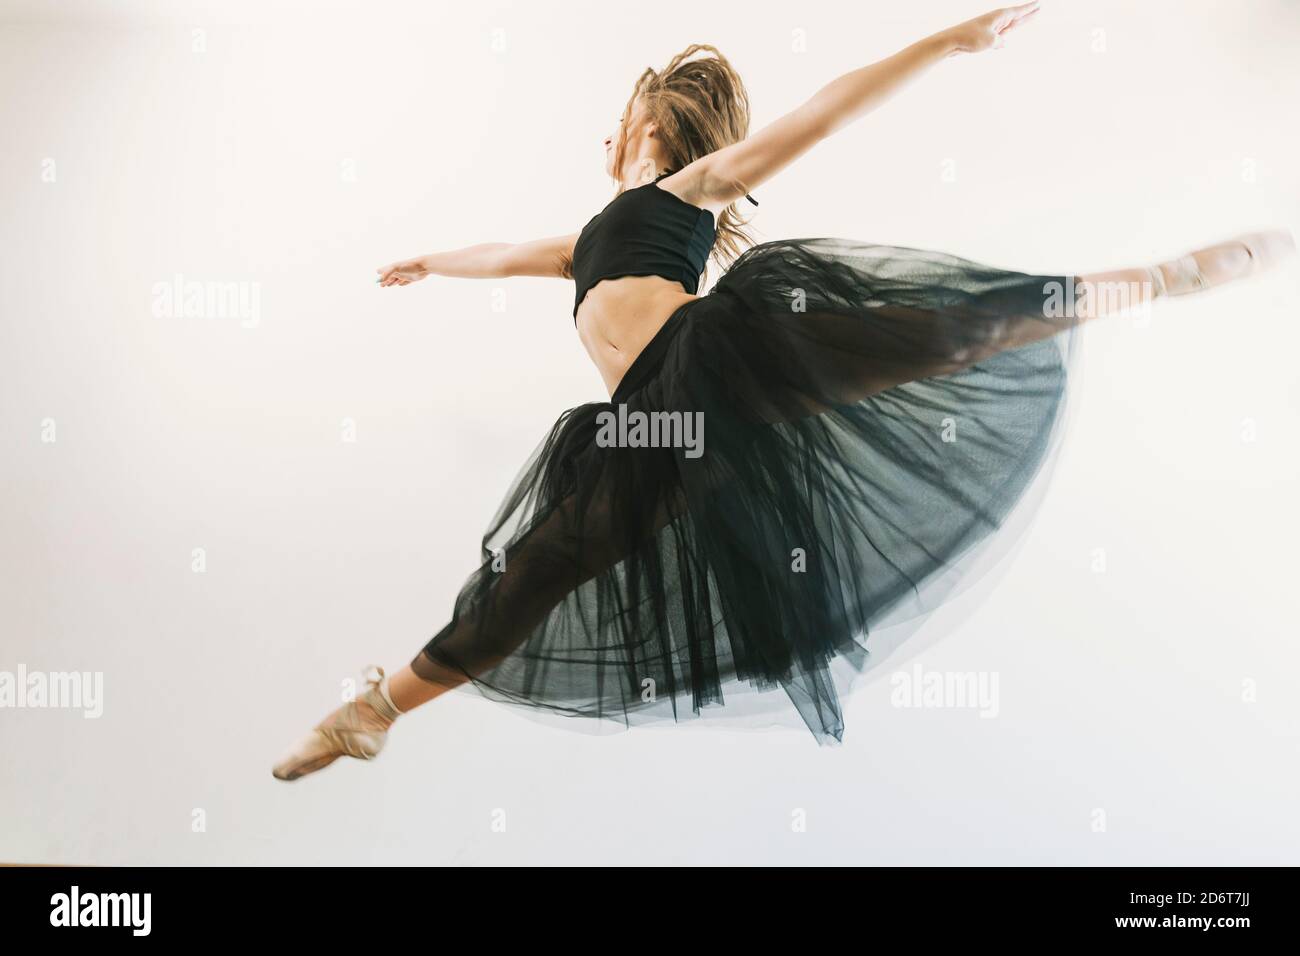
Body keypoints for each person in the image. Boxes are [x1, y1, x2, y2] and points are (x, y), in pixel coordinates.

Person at [273, 1, 1293, 780]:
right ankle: (377, 709)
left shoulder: (687, 190)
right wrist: (431, 261)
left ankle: (1136, 282)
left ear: (646, 125)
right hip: (656, 430)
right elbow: (506, 251)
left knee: (916, 338)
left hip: (711, 357)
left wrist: (944, 44)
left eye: (615, 119)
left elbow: (821, 112)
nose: (606, 134)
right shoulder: (586, 239)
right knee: (543, 565)